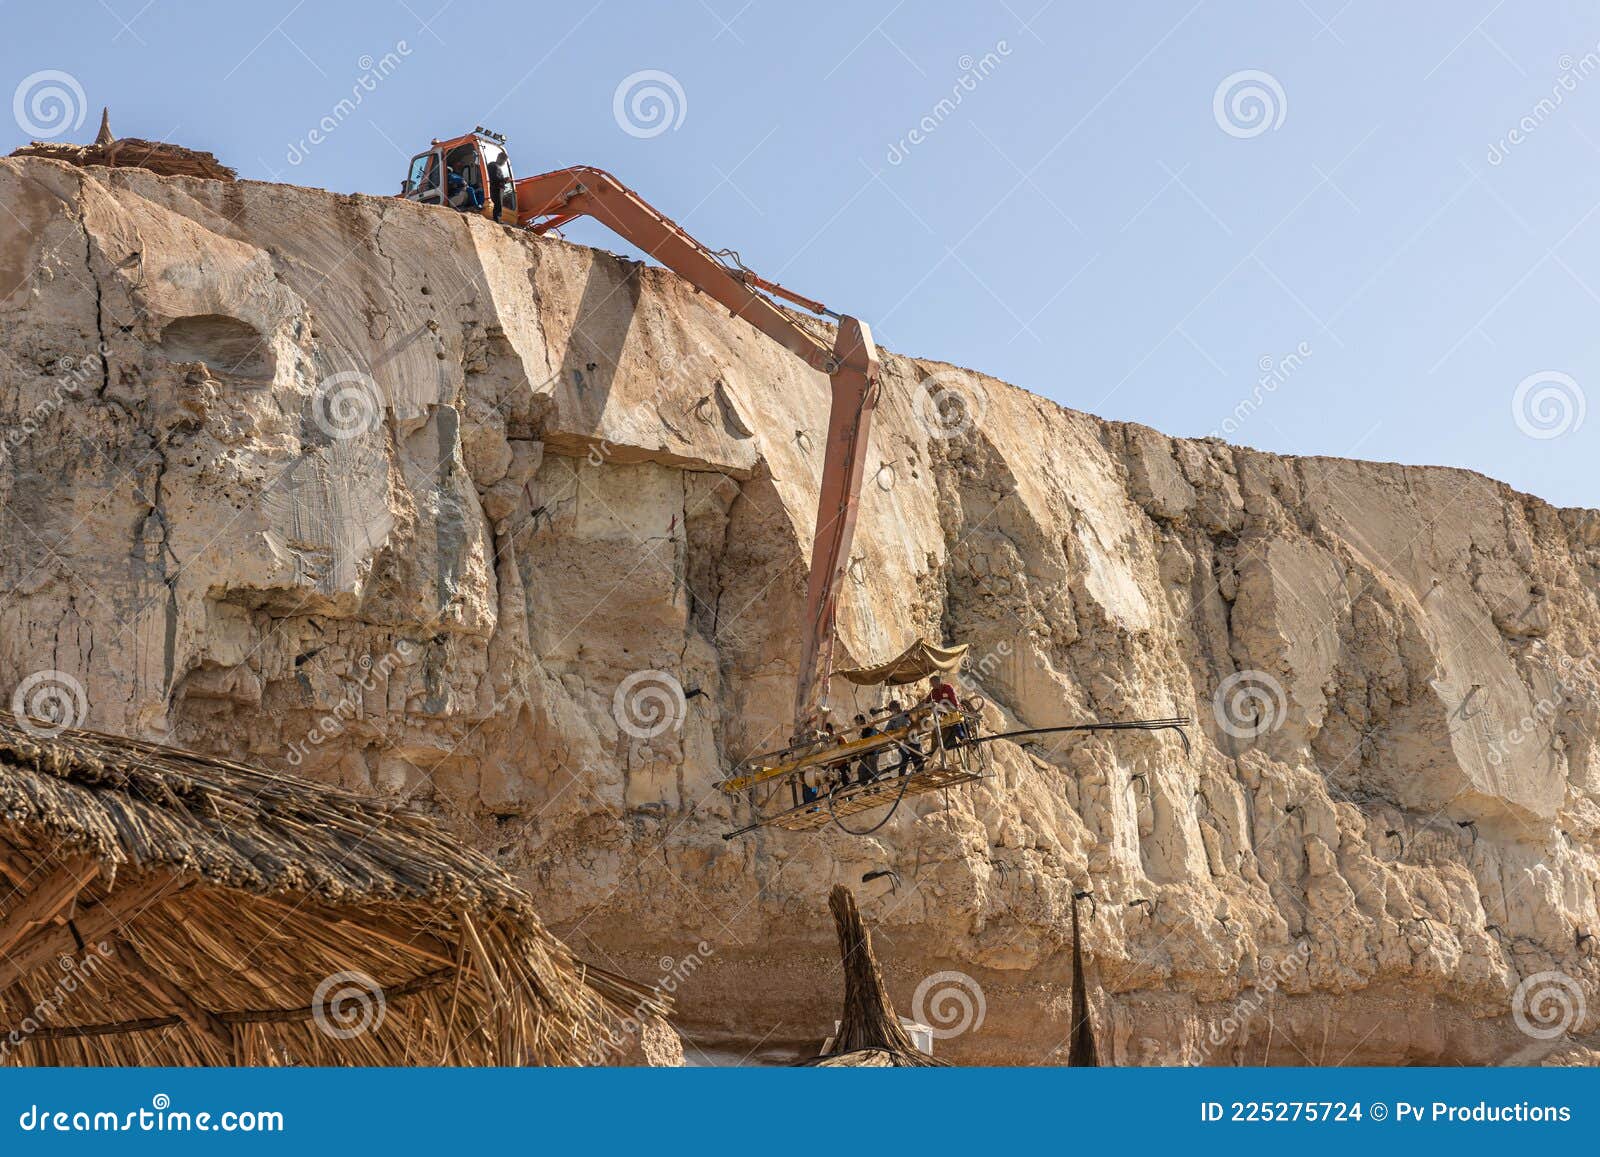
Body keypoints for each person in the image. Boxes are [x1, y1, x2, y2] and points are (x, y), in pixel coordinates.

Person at [885, 699, 924, 777]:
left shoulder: (906, 713)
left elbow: (914, 719)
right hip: (903, 744)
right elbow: (886, 730)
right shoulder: (892, 720)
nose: (891, 711)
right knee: (902, 764)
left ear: (897, 708)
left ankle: (922, 777)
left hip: (913, 742)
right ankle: (901, 781)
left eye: (892, 709)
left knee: (918, 761)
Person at [854, 713, 879, 786]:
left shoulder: (869, 728)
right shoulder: (864, 730)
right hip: (866, 754)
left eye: (857, 722)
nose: (856, 724)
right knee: (861, 771)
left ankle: (877, 789)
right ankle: (866, 789)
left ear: (861, 721)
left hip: (871, 754)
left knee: (873, 772)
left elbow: (869, 740)